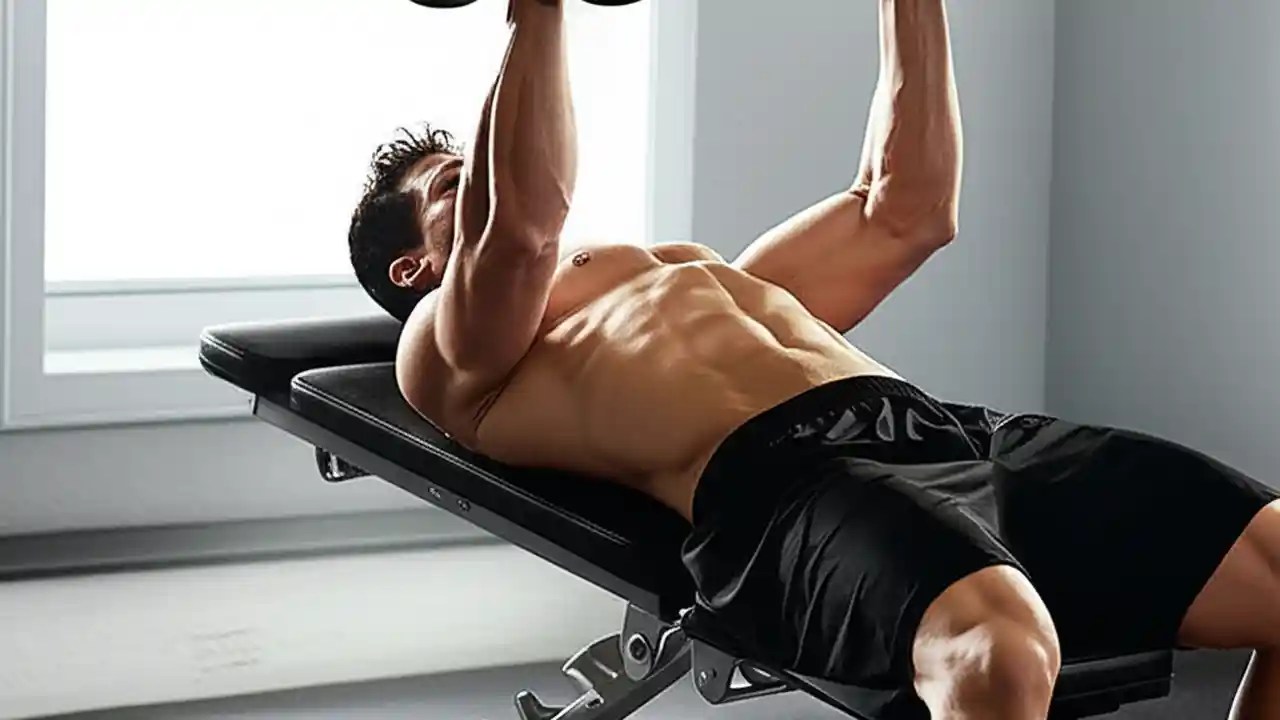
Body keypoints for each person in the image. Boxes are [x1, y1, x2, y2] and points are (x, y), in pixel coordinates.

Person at [347, 1, 1280, 717]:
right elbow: (516, 231)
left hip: (951, 431)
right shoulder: (443, 352)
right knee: (999, 653)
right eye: (455, 182)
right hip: (790, 487)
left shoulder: (694, 275)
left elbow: (904, 208)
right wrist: (537, 13)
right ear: (412, 265)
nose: (487, 176)